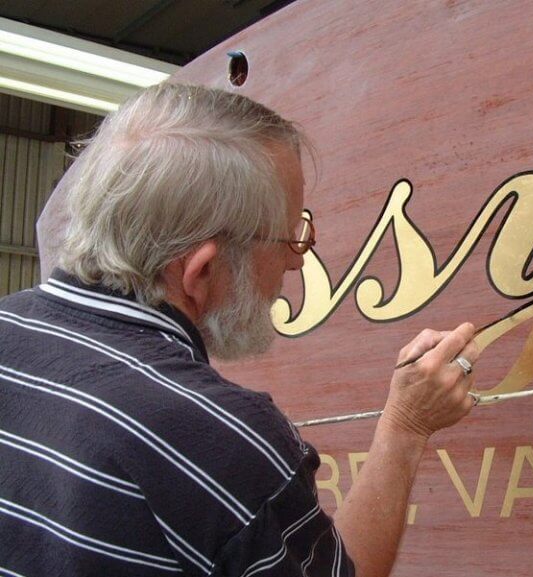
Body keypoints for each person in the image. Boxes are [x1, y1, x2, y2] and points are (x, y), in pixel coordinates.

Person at [0, 83, 479, 577]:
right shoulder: (217, 439)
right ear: (202, 271)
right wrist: (405, 427)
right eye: (291, 240)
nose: (297, 265)